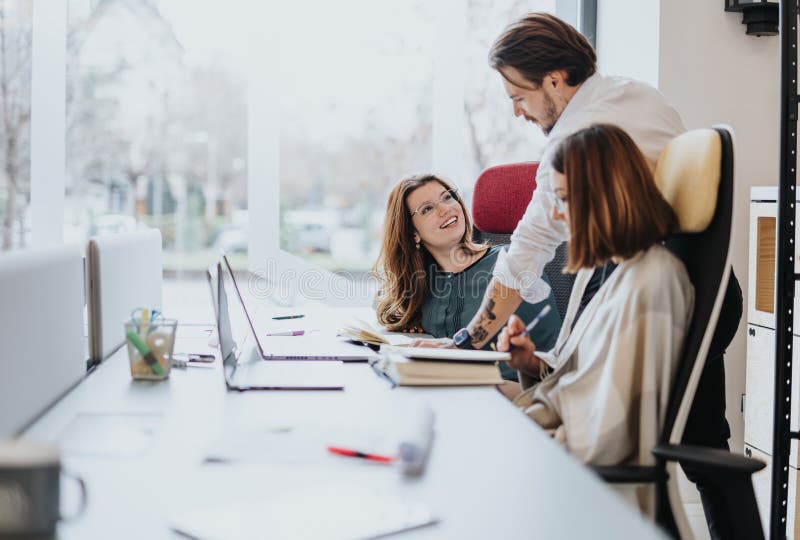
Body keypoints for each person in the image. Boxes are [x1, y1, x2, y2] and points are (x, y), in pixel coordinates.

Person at [429, 13, 740, 537]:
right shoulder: (638, 95)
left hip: (661, 299)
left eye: (518, 95)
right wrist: (532, 371)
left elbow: (525, 250)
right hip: (700, 287)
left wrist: (468, 347)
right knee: (703, 449)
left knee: (693, 446)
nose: (518, 111)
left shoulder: (576, 147)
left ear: (554, 79)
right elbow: (594, 400)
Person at [496, 123, 693, 513]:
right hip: (558, 452)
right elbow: (589, 380)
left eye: (565, 198)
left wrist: (519, 438)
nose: (555, 212)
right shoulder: (617, 271)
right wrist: (531, 362)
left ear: (605, 198)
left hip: (587, 492)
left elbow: (608, 434)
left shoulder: (651, 284)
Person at [373, 173, 561, 383]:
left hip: (522, 390)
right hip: (463, 389)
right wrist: (411, 319)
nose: (445, 209)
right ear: (413, 233)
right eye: (427, 209)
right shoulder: (426, 283)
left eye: (447, 197)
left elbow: (547, 364)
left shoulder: (512, 262)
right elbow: (385, 304)